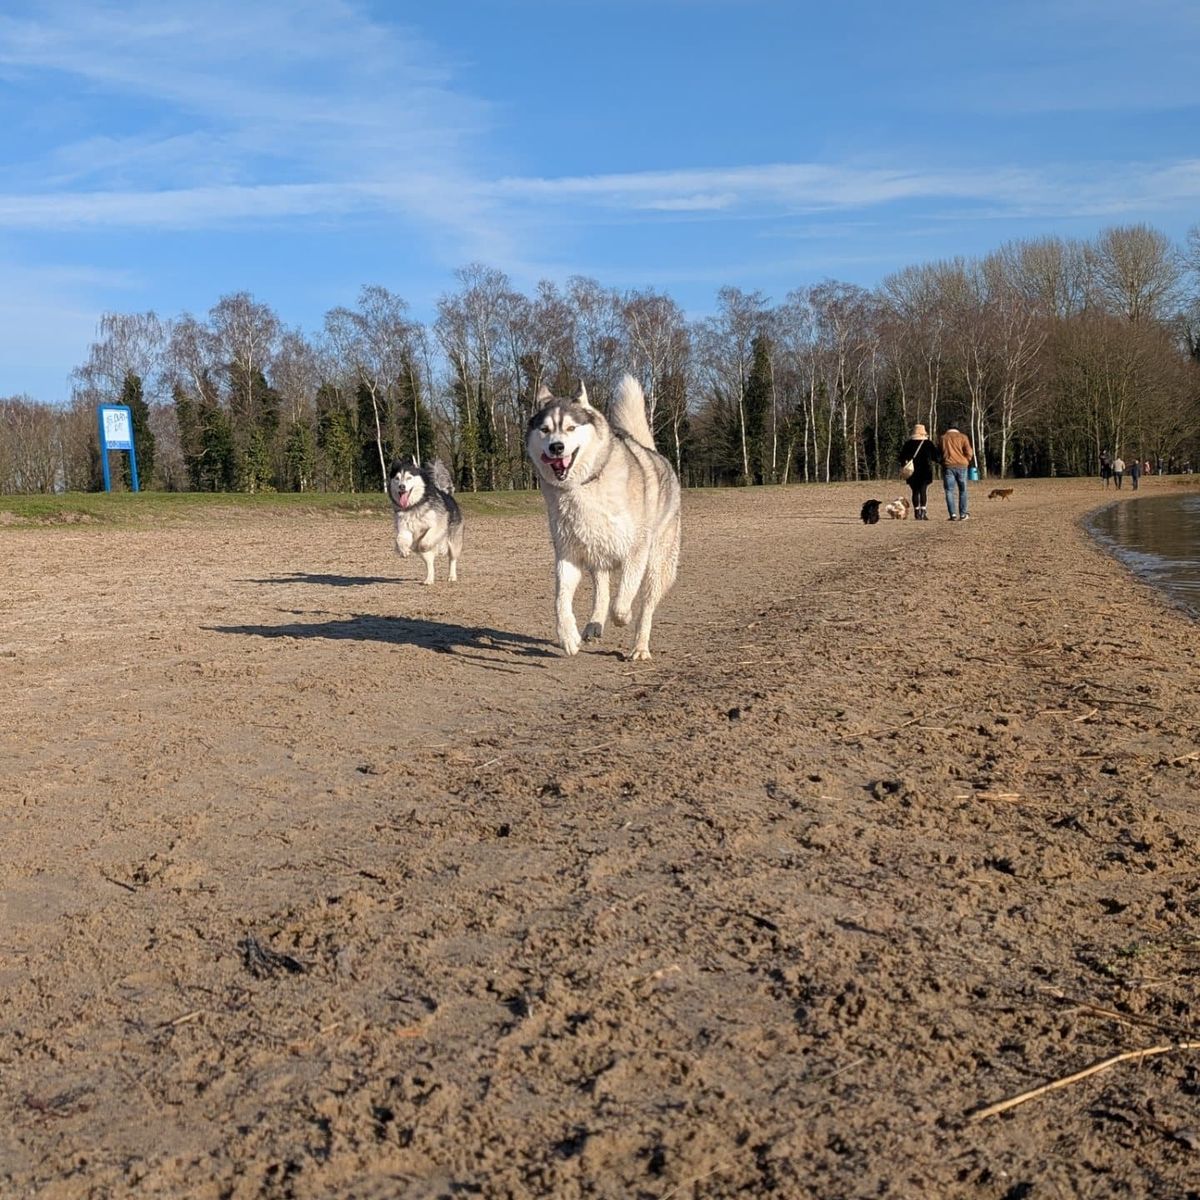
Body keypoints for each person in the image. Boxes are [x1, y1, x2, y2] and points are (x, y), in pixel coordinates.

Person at [897, 422, 939, 520]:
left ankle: (916, 511)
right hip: (925, 470)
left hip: (912, 471)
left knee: (915, 491)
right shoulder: (928, 444)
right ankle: (923, 511)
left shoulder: (908, 444)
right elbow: (936, 457)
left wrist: (904, 464)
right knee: (923, 490)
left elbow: (901, 457)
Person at [939, 420, 975, 521]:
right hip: (962, 465)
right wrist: (966, 460)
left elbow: (940, 452)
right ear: (957, 427)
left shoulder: (943, 438)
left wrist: (943, 461)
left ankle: (953, 514)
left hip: (948, 466)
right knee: (963, 490)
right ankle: (963, 514)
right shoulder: (963, 437)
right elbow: (969, 452)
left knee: (949, 491)